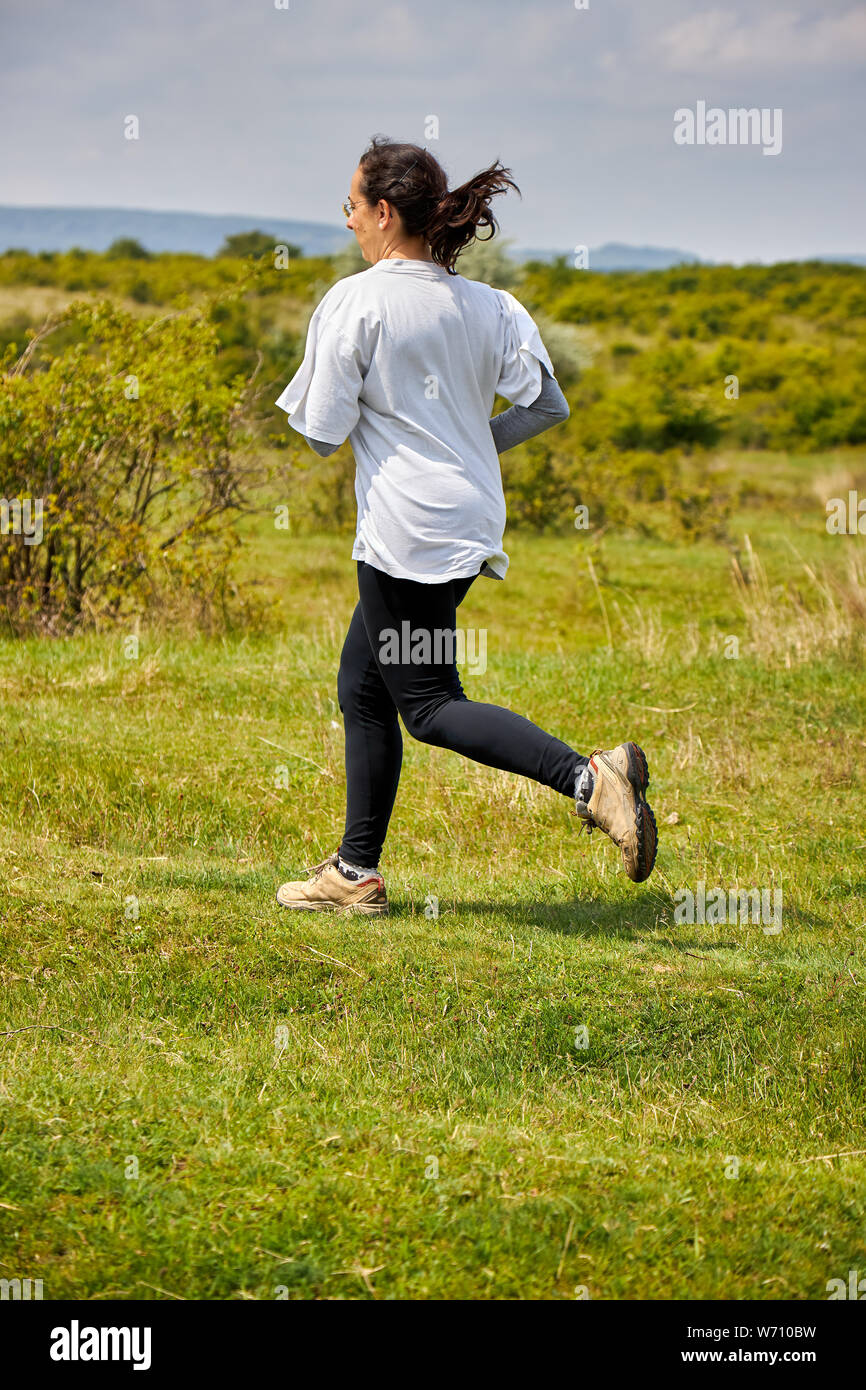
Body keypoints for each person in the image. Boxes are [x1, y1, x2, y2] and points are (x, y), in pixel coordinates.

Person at [274, 135, 657, 915]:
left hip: (406, 531)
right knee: (364, 687)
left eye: (350, 206)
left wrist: (383, 415)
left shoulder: (356, 300)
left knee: (428, 704)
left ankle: (591, 781)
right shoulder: (493, 305)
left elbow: (318, 432)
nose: (346, 221)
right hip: (467, 519)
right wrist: (464, 438)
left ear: (383, 212)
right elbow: (548, 405)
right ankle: (354, 874)